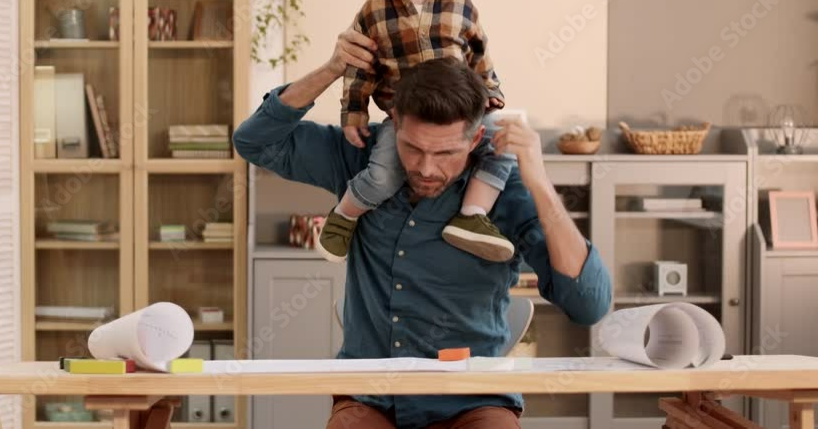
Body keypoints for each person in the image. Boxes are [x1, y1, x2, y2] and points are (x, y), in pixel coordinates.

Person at [232, 40, 612, 429]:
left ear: (476, 139)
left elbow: (588, 304)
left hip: (473, 400)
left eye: (446, 153)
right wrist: (332, 69)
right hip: (369, 397)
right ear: (394, 122)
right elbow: (253, 141)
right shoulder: (359, 157)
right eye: (412, 148)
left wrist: (540, 181)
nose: (427, 168)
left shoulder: (504, 187)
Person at [319, 0, 514, 265]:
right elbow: (361, 68)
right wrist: (354, 113)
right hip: (405, 118)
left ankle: (472, 215)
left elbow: (479, 50)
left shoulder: (458, 0)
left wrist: (491, 93)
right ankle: (344, 214)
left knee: (505, 142)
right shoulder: (373, 11)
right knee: (383, 175)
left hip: (460, 113)